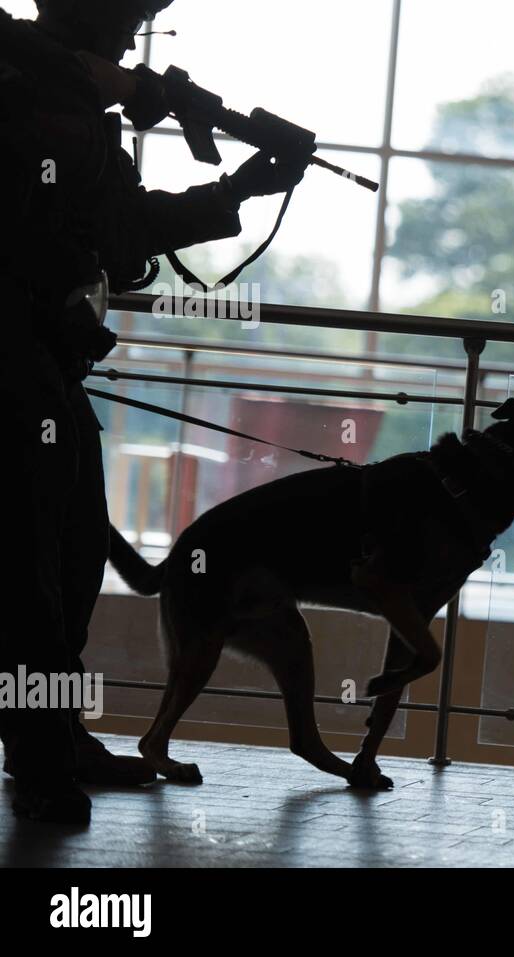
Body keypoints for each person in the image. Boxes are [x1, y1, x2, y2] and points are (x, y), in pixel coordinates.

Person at [0, 0, 308, 823]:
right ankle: (38, 758)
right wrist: (114, 87)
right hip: (13, 364)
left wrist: (238, 187)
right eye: (128, 24)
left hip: (49, 364)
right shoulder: (22, 78)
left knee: (68, 567)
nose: (136, 40)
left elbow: (123, 231)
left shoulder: (84, 114)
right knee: (31, 580)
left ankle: (54, 734)